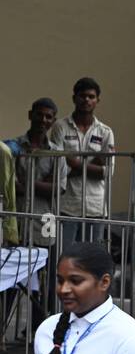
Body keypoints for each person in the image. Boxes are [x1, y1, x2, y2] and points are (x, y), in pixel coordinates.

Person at [50, 77, 114, 246]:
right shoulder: (60, 127)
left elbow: (107, 172)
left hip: (95, 208)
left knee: (91, 262)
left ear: (97, 100)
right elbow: (58, 167)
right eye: (82, 95)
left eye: (91, 97)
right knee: (64, 257)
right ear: (74, 98)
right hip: (67, 207)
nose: (87, 100)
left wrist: (74, 163)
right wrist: (94, 162)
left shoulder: (105, 132)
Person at [15, 98, 58, 248]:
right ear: (30, 115)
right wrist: (43, 184)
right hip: (16, 221)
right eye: (39, 115)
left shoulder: (57, 153)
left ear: (53, 121)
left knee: (45, 267)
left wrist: (26, 182)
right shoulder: (13, 148)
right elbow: (10, 186)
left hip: (46, 222)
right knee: (15, 267)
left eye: (48, 117)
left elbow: (57, 189)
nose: (43, 120)